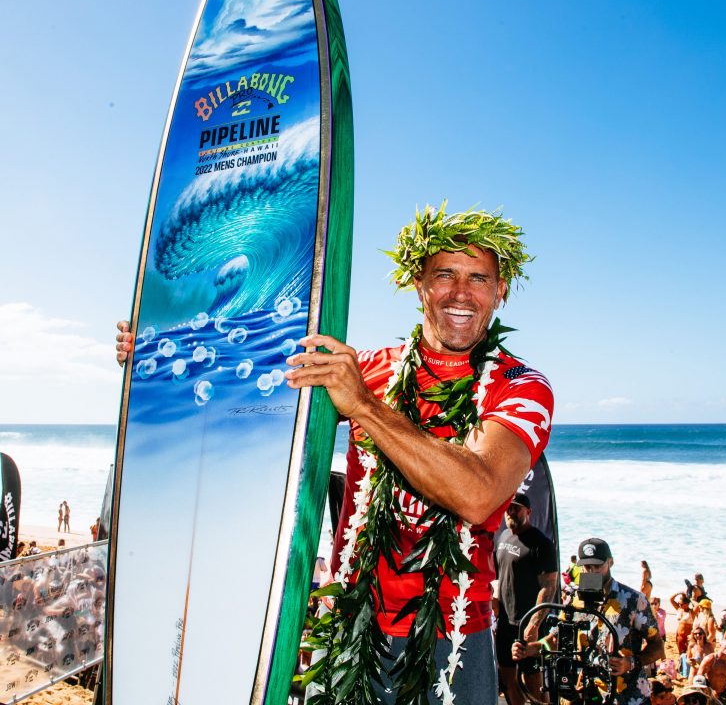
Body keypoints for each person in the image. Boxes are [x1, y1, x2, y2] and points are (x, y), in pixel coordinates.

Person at [117, 204, 554, 705]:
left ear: (500, 290)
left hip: (453, 641)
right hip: (350, 625)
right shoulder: (367, 368)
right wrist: (153, 348)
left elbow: (479, 493)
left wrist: (365, 406)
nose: (461, 292)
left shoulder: (520, 387)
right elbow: (242, 382)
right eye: (444, 275)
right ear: (419, 284)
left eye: (478, 278)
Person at [512, 537, 664, 705]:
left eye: (598, 566)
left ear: (610, 562)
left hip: (628, 697)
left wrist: (630, 663)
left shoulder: (634, 600)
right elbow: (557, 639)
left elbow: (658, 647)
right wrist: (530, 649)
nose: (592, 572)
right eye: (587, 566)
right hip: (583, 694)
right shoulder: (573, 599)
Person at [493, 492, 558, 705]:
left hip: (527, 624)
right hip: (505, 622)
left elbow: (549, 587)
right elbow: (500, 576)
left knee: (534, 683)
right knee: (508, 678)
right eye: (508, 508)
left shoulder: (541, 544)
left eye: (517, 508)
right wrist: (494, 604)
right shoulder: (502, 537)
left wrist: (533, 624)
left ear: (528, 512)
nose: (511, 512)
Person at [699, 640, 726, 705]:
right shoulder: (711, 659)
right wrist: (710, 690)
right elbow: (699, 675)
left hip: (722, 693)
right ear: (720, 646)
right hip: (709, 692)